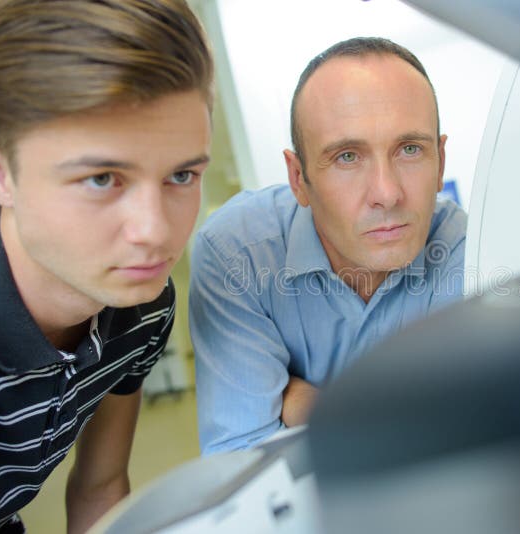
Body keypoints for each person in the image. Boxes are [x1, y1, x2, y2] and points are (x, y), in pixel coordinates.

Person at [0, 1, 213, 532]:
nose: (154, 232)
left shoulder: (143, 308)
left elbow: (100, 486)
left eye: (181, 176)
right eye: (103, 178)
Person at [190, 37, 467, 454]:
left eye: (410, 149)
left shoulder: (473, 248)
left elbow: (482, 445)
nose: (387, 194)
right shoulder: (239, 254)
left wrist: (304, 403)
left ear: (440, 161)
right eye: (347, 157)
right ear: (299, 178)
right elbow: (245, 462)